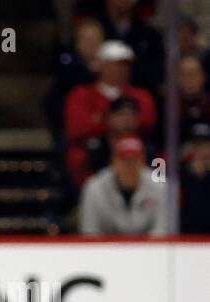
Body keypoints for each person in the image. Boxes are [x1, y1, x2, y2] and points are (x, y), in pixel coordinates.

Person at [64, 40, 156, 187]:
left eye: (125, 65)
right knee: (77, 157)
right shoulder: (81, 94)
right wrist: (109, 124)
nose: (120, 69)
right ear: (101, 65)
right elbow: (77, 128)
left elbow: (148, 121)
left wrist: (99, 120)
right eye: (114, 64)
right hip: (96, 152)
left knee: (158, 159)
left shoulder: (141, 95)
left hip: (135, 150)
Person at [79, 135, 166, 235]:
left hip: (149, 249)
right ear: (113, 161)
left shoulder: (160, 186)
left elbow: (162, 231)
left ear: (143, 161)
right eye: (124, 160)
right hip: (105, 249)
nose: (129, 166)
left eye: (134, 160)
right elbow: (90, 232)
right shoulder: (94, 188)